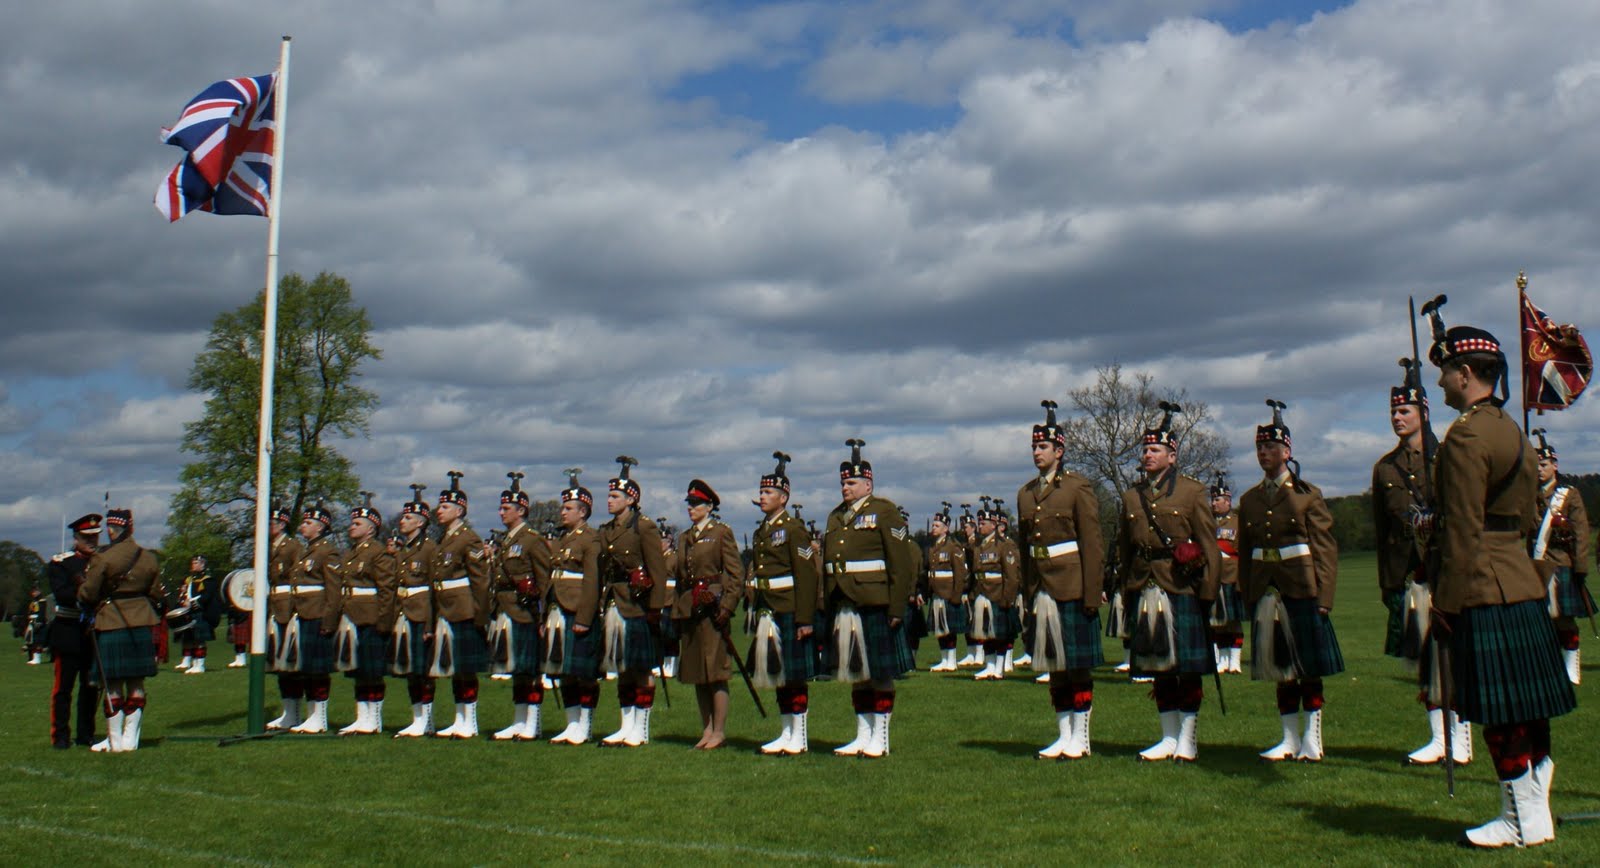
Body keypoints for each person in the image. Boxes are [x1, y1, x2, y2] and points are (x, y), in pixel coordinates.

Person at [1425, 313, 1574, 848]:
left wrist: (1446, 603)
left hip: (1483, 585)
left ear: (1465, 373)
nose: (1440, 381)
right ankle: (1537, 815)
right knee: (1530, 711)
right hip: (1519, 580)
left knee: (1502, 714)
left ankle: (1518, 820)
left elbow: (1463, 528)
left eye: (1445, 371)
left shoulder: (1466, 437)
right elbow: (1528, 517)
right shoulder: (1511, 428)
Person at [1238, 400, 1343, 763]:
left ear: (1287, 451)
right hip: (1267, 593)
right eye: (1259, 447)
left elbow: (1325, 548)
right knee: (1280, 668)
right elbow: (1245, 551)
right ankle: (1288, 738)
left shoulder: (1307, 495)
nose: (1264, 453)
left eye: (1271, 446)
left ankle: (1312, 739)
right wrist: (1247, 595)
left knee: (1309, 668)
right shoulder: (1249, 500)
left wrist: (1324, 597)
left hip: (1301, 589)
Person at [1118, 403, 1221, 763]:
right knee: (1158, 667)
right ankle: (1167, 737)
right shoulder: (1131, 496)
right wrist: (1126, 588)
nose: (1148, 455)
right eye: (1145, 449)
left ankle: (1187, 740)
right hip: (1145, 585)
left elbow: (1209, 546)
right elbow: (1125, 547)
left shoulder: (1192, 492)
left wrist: (1207, 593)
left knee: (1187, 670)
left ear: (1172, 456)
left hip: (1181, 586)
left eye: (1155, 449)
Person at [1374, 374, 1469, 765]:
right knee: (1425, 658)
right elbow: (1383, 531)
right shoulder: (1385, 468)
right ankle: (1438, 739)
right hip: (1409, 575)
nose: (1397, 418)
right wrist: (1388, 583)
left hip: (1445, 569)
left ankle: (1461, 740)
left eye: (1405, 411)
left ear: (1424, 413)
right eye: (1394, 412)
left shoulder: (1446, 456)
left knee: (1452, 658)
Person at [1016, 401, 1105, 760]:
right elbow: (1025, 550)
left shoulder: (1077, 488)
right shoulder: (1025, 494)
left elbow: (1092, 544)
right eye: (1034, 447)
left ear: (1059, 451)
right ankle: (1063, 734)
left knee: (1077, 667)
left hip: (1072, 583)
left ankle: (1081, 738)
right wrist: (1028, 592)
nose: (1037, 452)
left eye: (1043, 446)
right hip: (1042, 588)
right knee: (1054, 665)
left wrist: (1092, 592)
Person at [823, 439, 915, 758]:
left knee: (879, 673)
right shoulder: (835, 516)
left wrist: (897, 607)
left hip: (876, 602)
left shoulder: (884, 511)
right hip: (845, 603)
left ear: (868, 484)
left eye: (851, 483)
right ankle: (862, 735)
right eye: (843, 483)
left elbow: (901, 563)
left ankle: (881, 738)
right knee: (857, 672)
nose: (845, 488)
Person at [746, 452, 820, 755]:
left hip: (789, 607)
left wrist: (805, 618)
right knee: (779, 674)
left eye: (768, 492)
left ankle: (798, 736)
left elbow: (807, 575)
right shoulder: (761, 531)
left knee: (794, 677)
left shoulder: (793, 529)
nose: (762, 497)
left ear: (784, 497)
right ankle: (786, 732)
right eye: (761, 491)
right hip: (769, 609)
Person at [594, 458, 670, 747]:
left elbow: (657, 570)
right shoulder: (606, 529)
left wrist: (655, 608)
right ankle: (625, 726)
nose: (609, 500)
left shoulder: (644, 527)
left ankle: (641, 728)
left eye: (615, 496)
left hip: (638, 604)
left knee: (640, 668)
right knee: (622, 666)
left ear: (631, 499)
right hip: (615, 601)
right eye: (609, 495)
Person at [79, 508, 163, 752]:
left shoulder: (103, 557)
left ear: (111, 530)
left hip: (111, 621)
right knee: (137, 683)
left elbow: (88, 594)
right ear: (131, 528)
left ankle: (115, 741)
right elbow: (156, 593)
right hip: (141, 620)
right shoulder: (148, 558)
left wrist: (82, 589)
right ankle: (130, 740)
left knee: (112, 684)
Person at [672, 478, 744, 750]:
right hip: (691, 609)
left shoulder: (721, 532)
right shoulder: (684, 537)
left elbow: (735, 574)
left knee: (715, 672)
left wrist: (727, 606)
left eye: (696, 503)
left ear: (709, 506)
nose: (691, 508)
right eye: (689, 503)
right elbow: (681, 577)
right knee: (697, 673)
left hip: (713, 609)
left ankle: (719, 731)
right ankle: (706, 729)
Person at [490, 472, 554, 741]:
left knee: (529, 670)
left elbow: (544, 579)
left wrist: (543, 616)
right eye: (501, 507)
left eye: (506, 508)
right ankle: (519, 720)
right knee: (517, 669)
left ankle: (533, 722)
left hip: (526, 611)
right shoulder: (506, 540)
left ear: (521, 510)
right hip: (507, 609)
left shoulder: (532, 539)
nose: (501, 512)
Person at [430, 471, 491, 739]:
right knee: (455, 668)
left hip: (464, 609)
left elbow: (480, 579)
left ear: (459, 510)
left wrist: (480, 613)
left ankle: (470, 721)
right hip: (446, 608)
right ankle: (459, 718)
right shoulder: (444, 538)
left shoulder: (468, 538)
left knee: (466, 668)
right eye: (440, 506)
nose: (439, 510)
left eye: (445, 506)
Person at [545, 470, 603, 745]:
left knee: (584, 673)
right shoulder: (562, 539)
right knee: (565, 672)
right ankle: (572, 724)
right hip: (559, 610)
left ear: (583, 512)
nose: (563, 512)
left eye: (568, 508)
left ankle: (585, 725)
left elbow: (592, 581)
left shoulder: (590, 538)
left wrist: (585, 616)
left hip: (577, 610)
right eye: (563, 507)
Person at [1530, 429, 1591, 685]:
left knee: (1564, 621)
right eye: (1536, 465)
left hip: (1561, 563)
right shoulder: (1528, 495)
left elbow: (1581, 532)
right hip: (1536, 565)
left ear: (1554, 465)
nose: (1539, 470)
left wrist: (1580, 567)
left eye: (1544, 465)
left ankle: (1571, 665)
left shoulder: (1569, 494)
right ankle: (1549, 667)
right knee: (1540, 621)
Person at [336, 494, 398, 735]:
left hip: (371, 617)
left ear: (371, 529)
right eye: (352, 523)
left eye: (357, 523)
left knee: (372, 671)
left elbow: (386, 589)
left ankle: (374, 718)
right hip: (352, 617)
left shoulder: (378, 553)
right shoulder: (350, 553)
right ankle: (361, 717)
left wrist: (384, 621)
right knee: (359, 670)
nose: (351, 527)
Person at [45, 514, 102, 749]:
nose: (92, 541)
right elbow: (62, 595)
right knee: (63, 689)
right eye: (86, 537)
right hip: (68, 631)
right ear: (76, 538)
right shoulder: (62, 563)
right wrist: (87, 591)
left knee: (90, 687)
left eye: (95, 537)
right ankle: (60, 735)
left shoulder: (102, 561)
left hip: (92, 633)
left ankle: (86, 733)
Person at [287, 504, 344, 734]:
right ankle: (311, 715)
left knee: (318, 671)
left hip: (318, 615)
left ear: (320, 527)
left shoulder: (327, 552)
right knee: (307, 668)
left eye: (308, 522)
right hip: (303, 614)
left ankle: (319, 717)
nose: (303, 526)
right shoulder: (305, 551)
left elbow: (334, 590)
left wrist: (329, 621)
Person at [392, 487, 441, 738]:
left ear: (420, 522)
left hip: (421, 613)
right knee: (411, 670)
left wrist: (430, 624)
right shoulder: (402, 550)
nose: (403, 521)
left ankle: (427, 720)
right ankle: (416, 718)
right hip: (404, 611)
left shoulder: (429, 549)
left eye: (408, 517)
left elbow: (433, 588)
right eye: (403, 516)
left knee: (422, 671)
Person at [265, 506, 308, 730]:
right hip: (273, 605)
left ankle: (295, 713)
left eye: (272, 523)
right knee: (278, 665)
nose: (268, 527)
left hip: (288, 606)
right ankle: (287, 712)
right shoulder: (266, 546)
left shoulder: (292, 546)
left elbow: (297, 576)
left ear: (282, 525)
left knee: (290, 663)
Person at [970, 498, 1019, 681]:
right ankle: (989, 666)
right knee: (985, 633)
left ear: (993, 525)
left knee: (1000, 634)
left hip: (998, 594)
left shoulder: (1003, 545)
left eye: (983, 523)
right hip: (982, 593)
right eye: (979, 523)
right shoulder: (979, 545)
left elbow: (1011, 575)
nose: (980, 526)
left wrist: (1007, 598)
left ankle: (999, 668)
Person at [925, 506, 971, 672]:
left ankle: (951, 660)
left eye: (937, 526)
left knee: (949, 629)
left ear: (946, 529)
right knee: (940, 629)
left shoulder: (953, 546)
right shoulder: (933, 547)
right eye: (933, 525)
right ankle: (944, 659)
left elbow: (960, 573)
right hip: (937, 594)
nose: (933, 528)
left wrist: (956, 596)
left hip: (949, 594)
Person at [1209, 476, 1246, 674]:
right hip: (1213, 577)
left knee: (1233, 621)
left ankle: (1235, 661)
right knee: (1217, 622)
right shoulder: (1207, 522)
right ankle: (1222, 660)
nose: (1213, 503)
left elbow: (1242, 551)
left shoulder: (1237, 522)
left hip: (1231, 575)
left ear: (1228, 502)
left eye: (1217, 500)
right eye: (1212, 500)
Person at [174, 555, 215, 674]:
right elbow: (186, 593)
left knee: (199, 639)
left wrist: (192, 603)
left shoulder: (207, 580)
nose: (193, 565)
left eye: (196, 563)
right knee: (191, 639)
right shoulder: (189, 579)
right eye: (193, 563)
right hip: (190, 612)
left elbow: (206, 597)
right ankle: (194, 663)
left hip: (200, 612)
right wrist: (183, 598)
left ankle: (200, 665)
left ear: (202, 565)